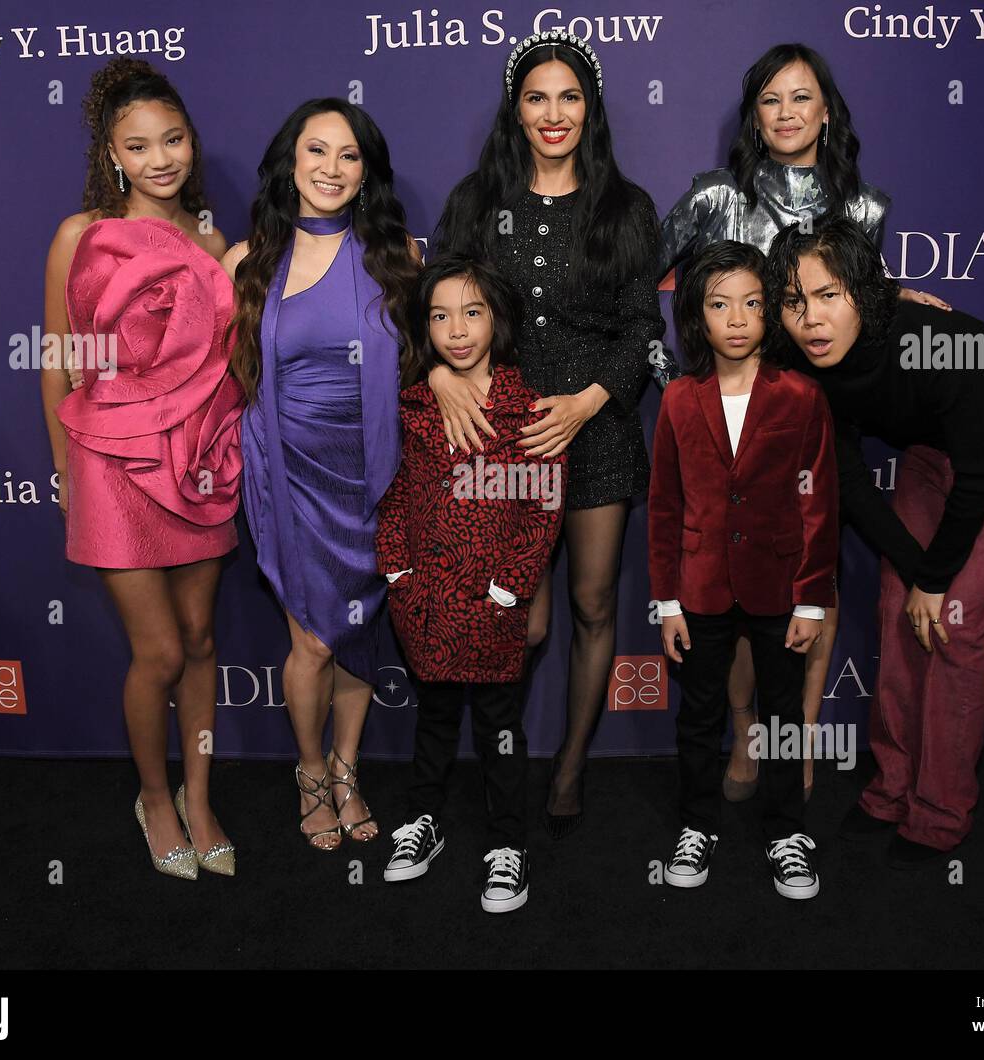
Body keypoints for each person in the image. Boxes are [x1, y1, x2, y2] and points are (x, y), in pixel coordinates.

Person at [658, 42, 950, 805]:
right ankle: (750, 731)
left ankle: (798, 741)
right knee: (737, 574)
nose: (786, 114)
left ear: (827, 110)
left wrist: (896, 294)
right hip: (728, 417)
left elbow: (853, 303)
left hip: (822, 414)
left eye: (801, 98)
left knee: (809, 582)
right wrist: (663, 374)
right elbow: (640, 279)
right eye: (771, 101)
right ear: (754, 116)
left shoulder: (864, 209)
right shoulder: (717, 196)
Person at [767, 214, 984, 867]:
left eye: (827, 296)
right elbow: (850, 484)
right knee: (900, 612)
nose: (810, 319)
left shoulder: (933, 341)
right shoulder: (803, 359)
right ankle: (892, 789)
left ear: (863, 295)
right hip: (930, 458)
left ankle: (941, 812)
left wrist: (935, 581)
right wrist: (915, 573)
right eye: (793, 302)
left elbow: (980, 478)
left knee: (953, 622)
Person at [430, 30, 665, 837]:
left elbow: (643, 328)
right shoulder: (474, 201)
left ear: (590, 107)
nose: (554, 113)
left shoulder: (626, 208)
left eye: (569, 97)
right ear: (516, 108)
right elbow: (438, 303)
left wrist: (590, 401)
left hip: (594, 430)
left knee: (594, 603)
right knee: (518, 618)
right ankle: (503, 756)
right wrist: (436, 373)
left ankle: (569, 767)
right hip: (505, 441)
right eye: (537, 97)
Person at [41, 58, 241, 879]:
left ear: (191, 140)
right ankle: (153, 798)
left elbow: (225, 361)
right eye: (139, 145)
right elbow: (58, 362)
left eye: (173, 139)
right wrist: (65, 474)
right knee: (157, 651)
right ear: (112, 154)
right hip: (108, 462)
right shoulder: (78, 235)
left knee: (199, 639)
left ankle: (199, 797)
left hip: (197, 457)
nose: (160, 158)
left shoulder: (213, 241)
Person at [223, 99, 421, 851]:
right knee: (310, 641)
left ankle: (347, 770)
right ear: (291, 161)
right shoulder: (249, 260)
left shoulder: (397, 255)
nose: (332, 169)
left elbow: (431, 365)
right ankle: (310, 773)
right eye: (317, 151)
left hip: (373, 471)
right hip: (289, 472)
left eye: (349, 155)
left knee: (361, 635)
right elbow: (213, 377)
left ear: (366, 172)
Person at [378, 255, 566, 912]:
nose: (455, 329)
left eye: (472, 312)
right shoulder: (414, 404)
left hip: (494, 608)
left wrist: (511, 591)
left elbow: (543, 510)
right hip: (426, 600)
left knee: (499, 726)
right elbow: (397, 493)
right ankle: (422, 824)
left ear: (498, 320)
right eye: (439, 315)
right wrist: (396, 568)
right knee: (432, 721)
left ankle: (507, 845)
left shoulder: (528, 411)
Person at [650, 241, 837, 897]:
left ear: (771, 313)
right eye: (719, 304)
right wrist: (666, 601)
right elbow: (665, 507)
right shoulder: (678, 400)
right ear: (698, 318)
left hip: (779, 588)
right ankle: (696, 826)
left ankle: (787, 830)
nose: (735, 319)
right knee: (697, 715)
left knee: (783, 716)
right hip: (700, 589)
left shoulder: (802, 397)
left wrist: (811, 601)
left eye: (752, 304)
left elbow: (817, 503)